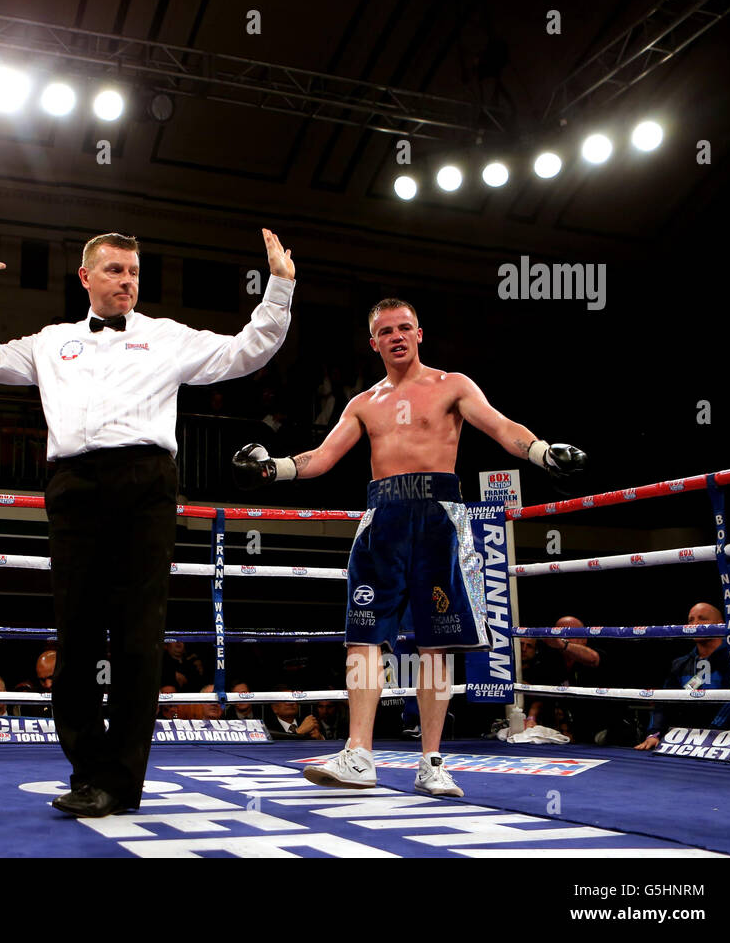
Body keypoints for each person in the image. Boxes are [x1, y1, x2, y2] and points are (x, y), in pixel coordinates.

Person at [0, 228, 294, 817]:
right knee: (78, 634)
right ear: (85, 277)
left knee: (139, 636)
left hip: (144, 483)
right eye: (114, 270)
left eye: (133, 271)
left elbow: (247, 351)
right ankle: (89, 772)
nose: (127, 281)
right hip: (73, 487)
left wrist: (280, 287)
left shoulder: (166, 337)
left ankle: (123, 780)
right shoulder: (52, 341)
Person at [234, 297, 584, 796]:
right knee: (362, 636)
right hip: (384, 518)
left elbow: (501, 427)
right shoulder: (363, 403)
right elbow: (323, 457)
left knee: (435, 644)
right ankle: (358, 753)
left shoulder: (453, 385)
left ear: (419, 334)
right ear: (373, 341)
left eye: (405, 328)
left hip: (438, 516)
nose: (396, 336)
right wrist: (276, 468)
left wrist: (543, 452)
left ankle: (433, 761)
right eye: (386, 331)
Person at [635, 603, 730, 750]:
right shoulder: (680, 664)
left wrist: (712, 732)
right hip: (686, 742)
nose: (695, 624)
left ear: (720, 624)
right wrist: (654, 734)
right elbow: (664, 702)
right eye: (691, 620)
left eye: (702, 619)